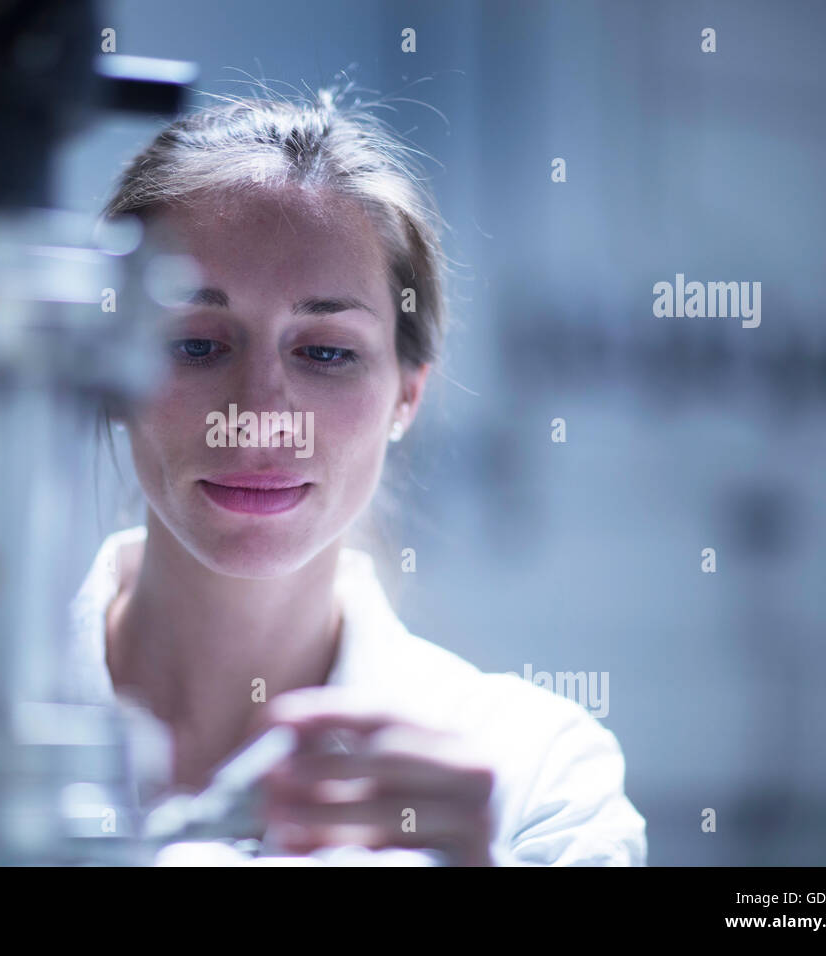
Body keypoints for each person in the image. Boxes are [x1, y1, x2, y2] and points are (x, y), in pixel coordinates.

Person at [69, 86, 646, 865]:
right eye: (198, 344)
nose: (263, 413)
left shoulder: (536, 774)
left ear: (407, 393)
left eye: (327, 352)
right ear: (109, 369)